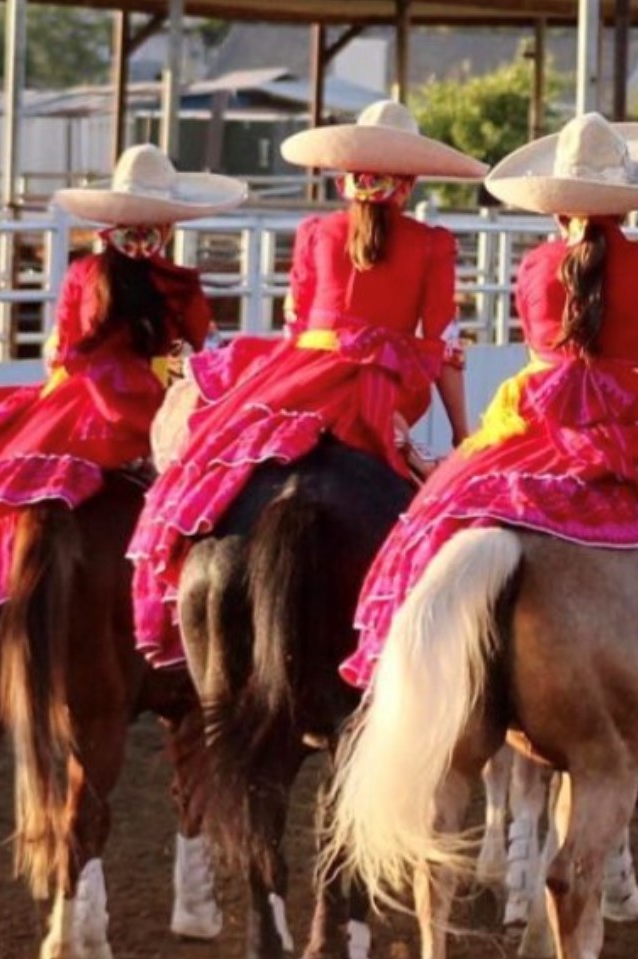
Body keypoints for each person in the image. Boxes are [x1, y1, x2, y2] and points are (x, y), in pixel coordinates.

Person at [341, 112, 638, 688]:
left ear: (557, 207)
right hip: (626, 428)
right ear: (629, 206)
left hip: (534, 420)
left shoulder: (533, 266)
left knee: (439, 508)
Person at [127, 100, 485, 667]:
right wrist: (462, 436)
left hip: (299, 377)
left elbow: (296, 326)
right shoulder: (431, 243)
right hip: (382, 391)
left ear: (345, 177)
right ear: (409, 183)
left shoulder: (315, 231)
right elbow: (444, 348)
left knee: (217, 452)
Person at [0, 145, 243, 611]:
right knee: (214, 497)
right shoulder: (180, 286)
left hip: (71, 404)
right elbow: (203, 355)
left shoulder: (83, 273)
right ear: (167, 227)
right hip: (146, 411)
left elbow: (62, 352)